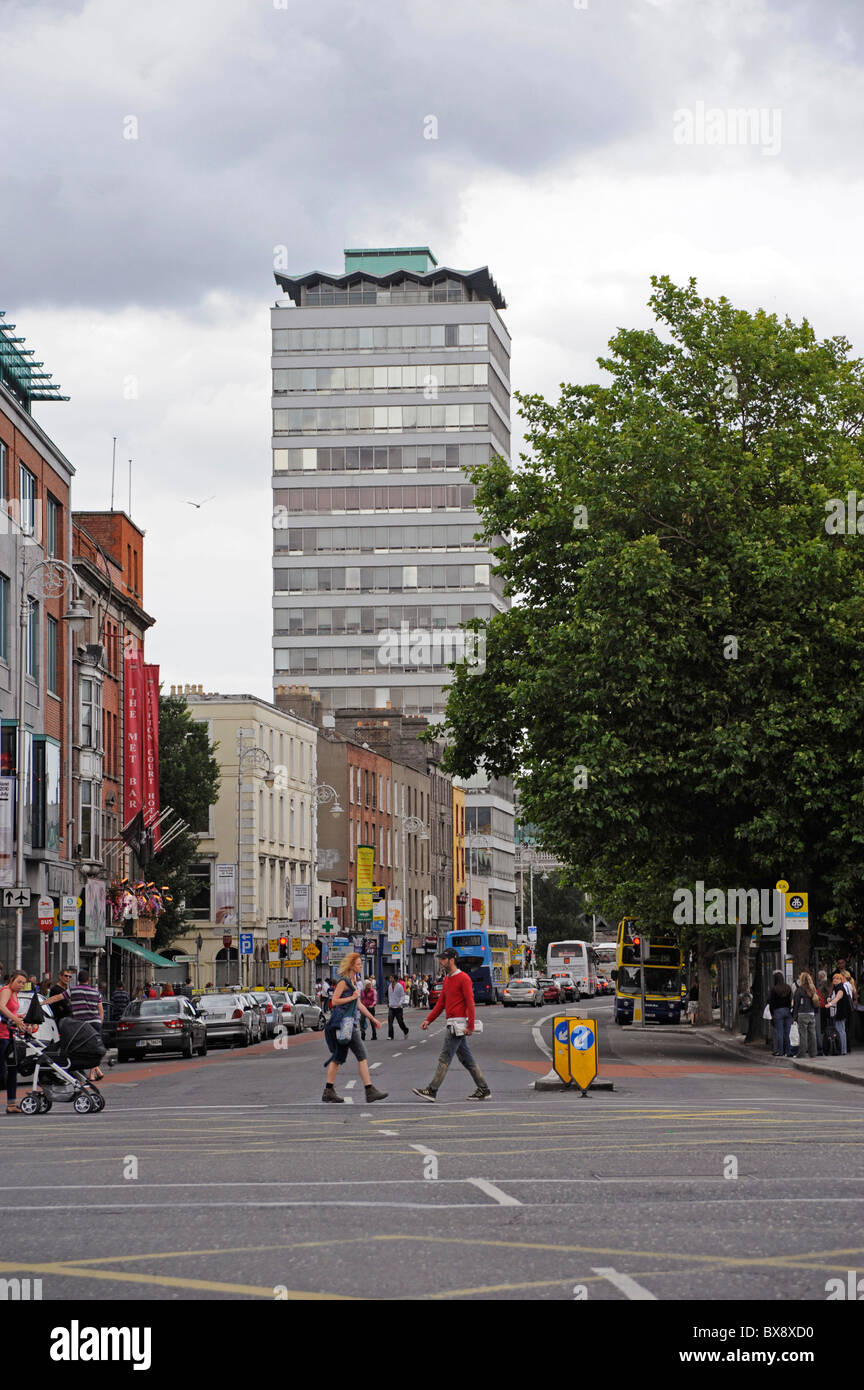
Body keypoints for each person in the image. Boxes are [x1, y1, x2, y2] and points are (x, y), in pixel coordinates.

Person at [412, 947, 491, 1102]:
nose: (441, 962)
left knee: (445, 1057)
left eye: (443, 959)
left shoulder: (464, 978)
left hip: (458, 1025)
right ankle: (484, 1089)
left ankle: (432, 1090)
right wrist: (429, 1019)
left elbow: (470, 1003)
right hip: (453, 1023)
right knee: (467, 1060)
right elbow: (441, 1004)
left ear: (452, 960)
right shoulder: (447, 979)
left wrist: (470, 1025)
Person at [322, 953, 387, 1104]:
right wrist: (351, 997)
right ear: (351, 965)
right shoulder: (343, 982)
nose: (360, 966)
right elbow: (334, 1001)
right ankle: (369, 1089)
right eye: (358, 964)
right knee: (362, 1055)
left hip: (349, 1024)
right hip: (345, 1024)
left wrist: (373, 1019)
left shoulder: (353, 982)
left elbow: (359, 1004)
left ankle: (328, 1090)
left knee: (338, 1058)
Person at [0, 969, 38, 1113]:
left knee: (12, 1069)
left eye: (23, 983)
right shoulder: (6, 990)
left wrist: (19, 1017)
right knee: (2, 1072)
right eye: (19, 982)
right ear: (11, 980)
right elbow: (1, 1006)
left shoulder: (15, 994)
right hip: (1, 1036)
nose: (21, 985)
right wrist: (15, 1019)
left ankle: (11, 1104)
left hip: (9, 1035)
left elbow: (11, 1012)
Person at [69, 968, 105, 1082]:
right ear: (88, 980)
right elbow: (101, 1010)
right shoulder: (95, 992)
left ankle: (95, 1073)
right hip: (95, 1023)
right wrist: (101, 1022)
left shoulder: (73, 991)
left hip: (81, 1025)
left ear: (78, 980)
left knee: (86, 1049)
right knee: (93, 1049)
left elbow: (70, 1004)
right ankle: (93, 1073)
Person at [791, 972, 819, 1059]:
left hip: (802, 1014)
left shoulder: (799, 990)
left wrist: (794, 1017)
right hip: (811, 1014)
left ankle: (802, 1053)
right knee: (812, 1034)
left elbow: (796, 1005)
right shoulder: (813, 989)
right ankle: (813, 1053)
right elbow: (816, 1002)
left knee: (803, 1035)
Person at [826, 971, 852, 1055]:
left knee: (840, 1030)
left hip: (841, 1012)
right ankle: (843, 1049)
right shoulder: (836, 987)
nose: (835, 979)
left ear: (841, 980)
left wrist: (830, 1003)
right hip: (840, 1012)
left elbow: (838, 997)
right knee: (842, 1030)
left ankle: (842, 1049)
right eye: (834, 978)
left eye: (837, 978)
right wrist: (830, 999)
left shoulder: (840, 988)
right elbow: (835, 998)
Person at [767, 970, 793, 1057]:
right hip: (787, 1011)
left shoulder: (774, 989)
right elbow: (790, 1000)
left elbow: (771, 1003)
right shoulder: (788, 988)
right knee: (787, 1032)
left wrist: (772, 1013)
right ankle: (788, 1051)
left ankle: (780, 1051)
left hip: (777, 1011)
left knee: (779, 1032)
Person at [387, 974, 409, 1040]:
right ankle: (390, 1036)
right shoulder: (390, 986)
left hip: (398, 1007)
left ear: (394, 979)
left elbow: (402, 996)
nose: (390, 979)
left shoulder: (399, 986)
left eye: (391, 977)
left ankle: (405, 1030)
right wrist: (389, 1003)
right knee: (390, 1021)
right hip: (391, 1007)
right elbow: (389, 995)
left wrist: (400, 1003)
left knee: (400, 1022)